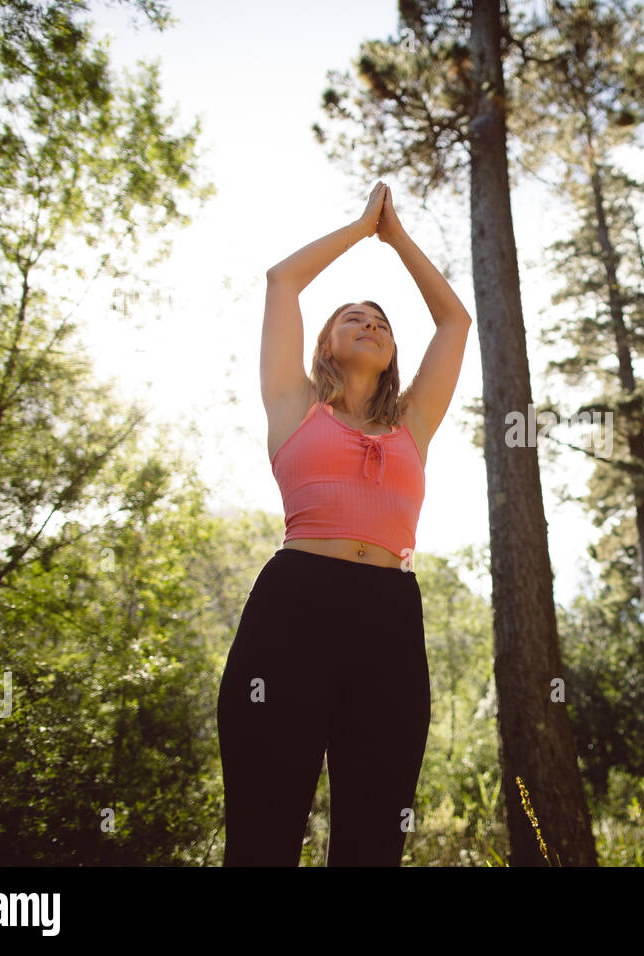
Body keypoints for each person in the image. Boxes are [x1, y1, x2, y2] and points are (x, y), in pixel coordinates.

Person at [217, 181, 471, 865]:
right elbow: (282, 281)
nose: (370, 323)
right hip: (292, 608)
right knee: (264, 829)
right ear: (326, 342)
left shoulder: (412, 423)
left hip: (388, 618)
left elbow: (455, 323)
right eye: (353, 317)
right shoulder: (293, 405)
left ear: (392, 354)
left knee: (372, 838)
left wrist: (400, 239)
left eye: (382, 323)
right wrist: (363, 228)